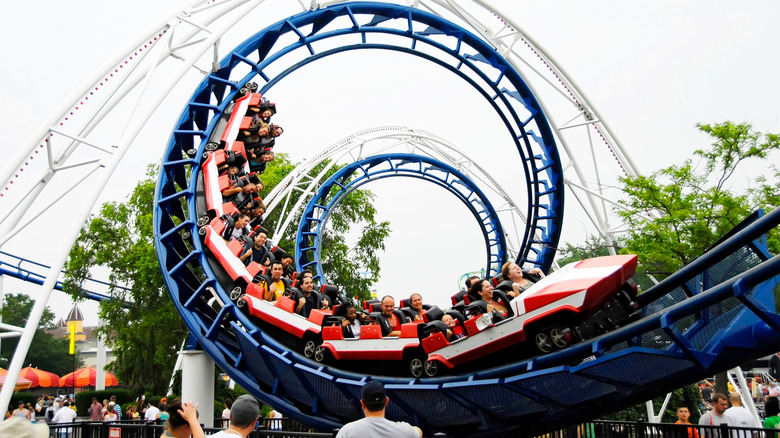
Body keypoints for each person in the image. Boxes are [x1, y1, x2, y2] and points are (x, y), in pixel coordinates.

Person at [335, 381, 422, 437]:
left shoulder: (347, 431)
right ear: (387, 401)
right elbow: (419, 432)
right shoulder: (404, 430)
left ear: (362, 403)